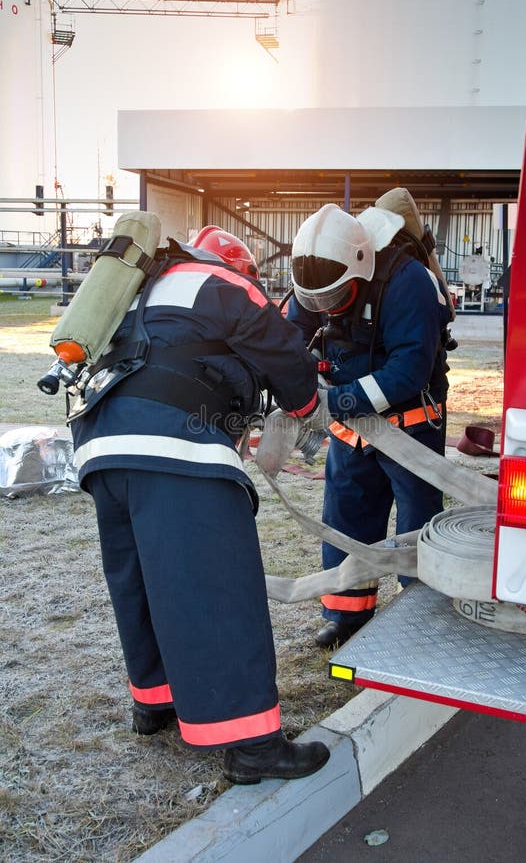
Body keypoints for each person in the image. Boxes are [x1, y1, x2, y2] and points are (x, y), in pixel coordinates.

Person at [68, 226, 330, 784]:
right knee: (216, 588)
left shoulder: (136, 287)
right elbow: (288, 360)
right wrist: (309, 406)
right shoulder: (225, 284)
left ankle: (155, 701)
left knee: (141, 580)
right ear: (242, 268)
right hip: (174, 446)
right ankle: (253, 745)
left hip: (101, 447)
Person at [284, 203, 452, 649]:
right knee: (346, 519)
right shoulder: (316, 280)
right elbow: (290, 336)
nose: (324, 308)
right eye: (314, 299)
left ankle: (419, 617)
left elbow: (409, 370)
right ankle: (346, 614)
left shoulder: (408, 281)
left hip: (410, 427)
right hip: (350, 430)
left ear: (360, 267)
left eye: (332, 298)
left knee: (416, 524)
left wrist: (338, 400)